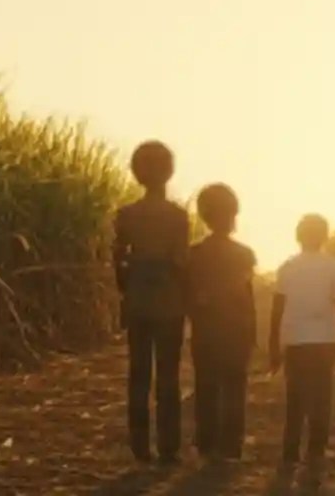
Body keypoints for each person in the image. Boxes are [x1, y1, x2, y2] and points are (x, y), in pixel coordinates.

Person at [112, 140, 190, 465]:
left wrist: (127, 290)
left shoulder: (127, 215)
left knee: (139, 373)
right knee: (168, 375)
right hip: (169, 298)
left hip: (138, 297)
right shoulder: (177, 216)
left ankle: (140, 445)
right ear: (169, 171)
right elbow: (182, 261)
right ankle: (169, 447)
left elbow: (118, 259)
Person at [268, 213, 335, 474]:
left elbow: (276, 311)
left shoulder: (288, 267)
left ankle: (290, 450)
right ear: (325, 236)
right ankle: (316, 450)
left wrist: (273, 345)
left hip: (296, 342)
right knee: (321, 398)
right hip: (325, 341)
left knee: (295, 397)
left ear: (298, 236)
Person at [185, 183, 257, 462]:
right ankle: (232, 444)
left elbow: (189, 295)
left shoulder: (194, 253)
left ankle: (207, 441)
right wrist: (252, 331)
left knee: (206, 385)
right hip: (236, 329)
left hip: (206, 330)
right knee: (235, 386)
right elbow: (247, 297)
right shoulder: (244, 254)